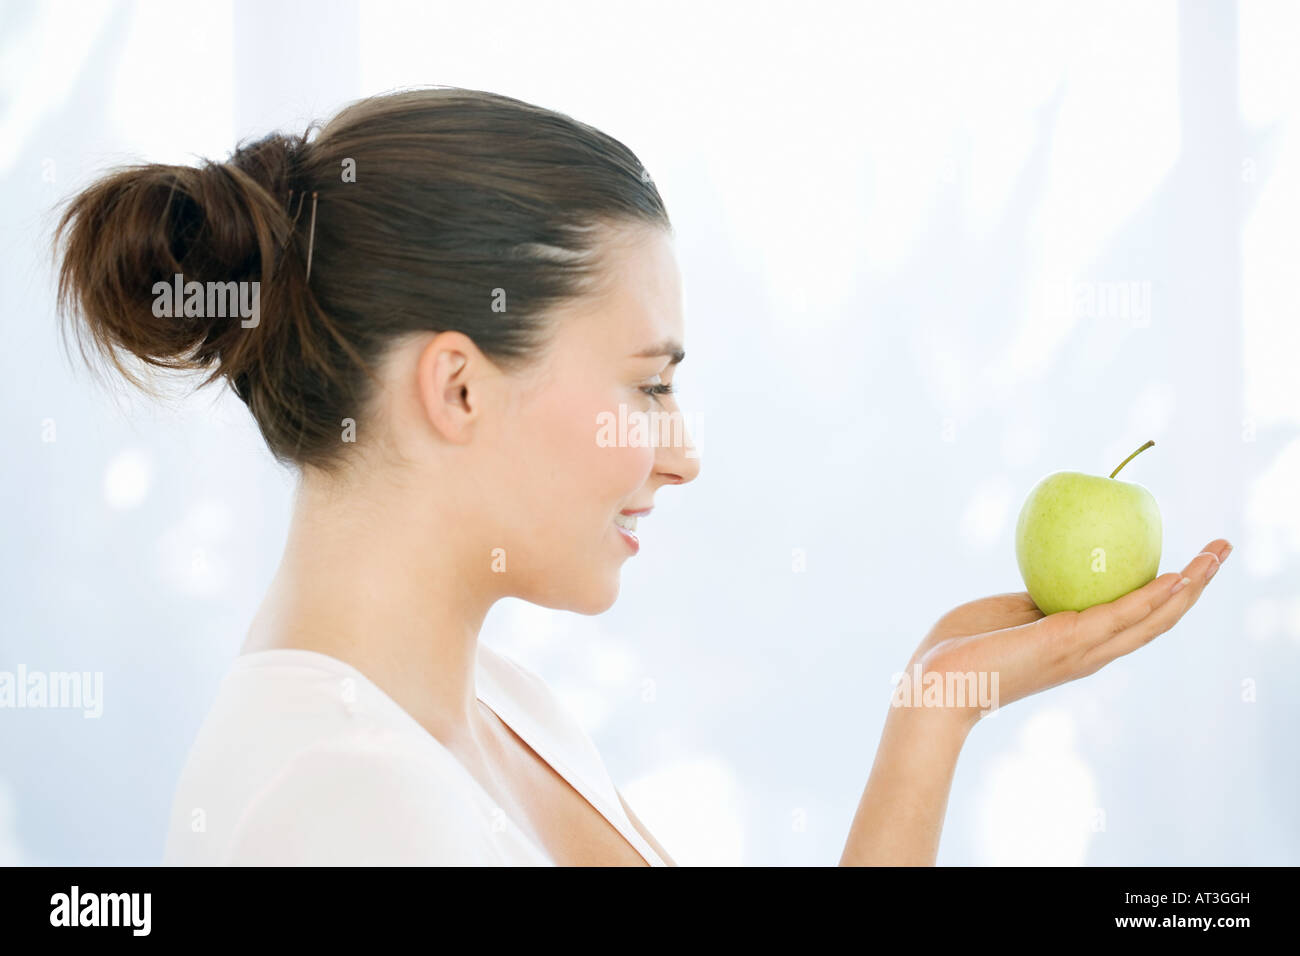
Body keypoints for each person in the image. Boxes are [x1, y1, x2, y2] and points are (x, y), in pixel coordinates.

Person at [52, 86, 1229, 866]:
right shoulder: (336, 806)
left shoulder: (498, 703)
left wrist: (930, 714)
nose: (683, 449)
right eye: (648, 385)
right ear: (457, 387)